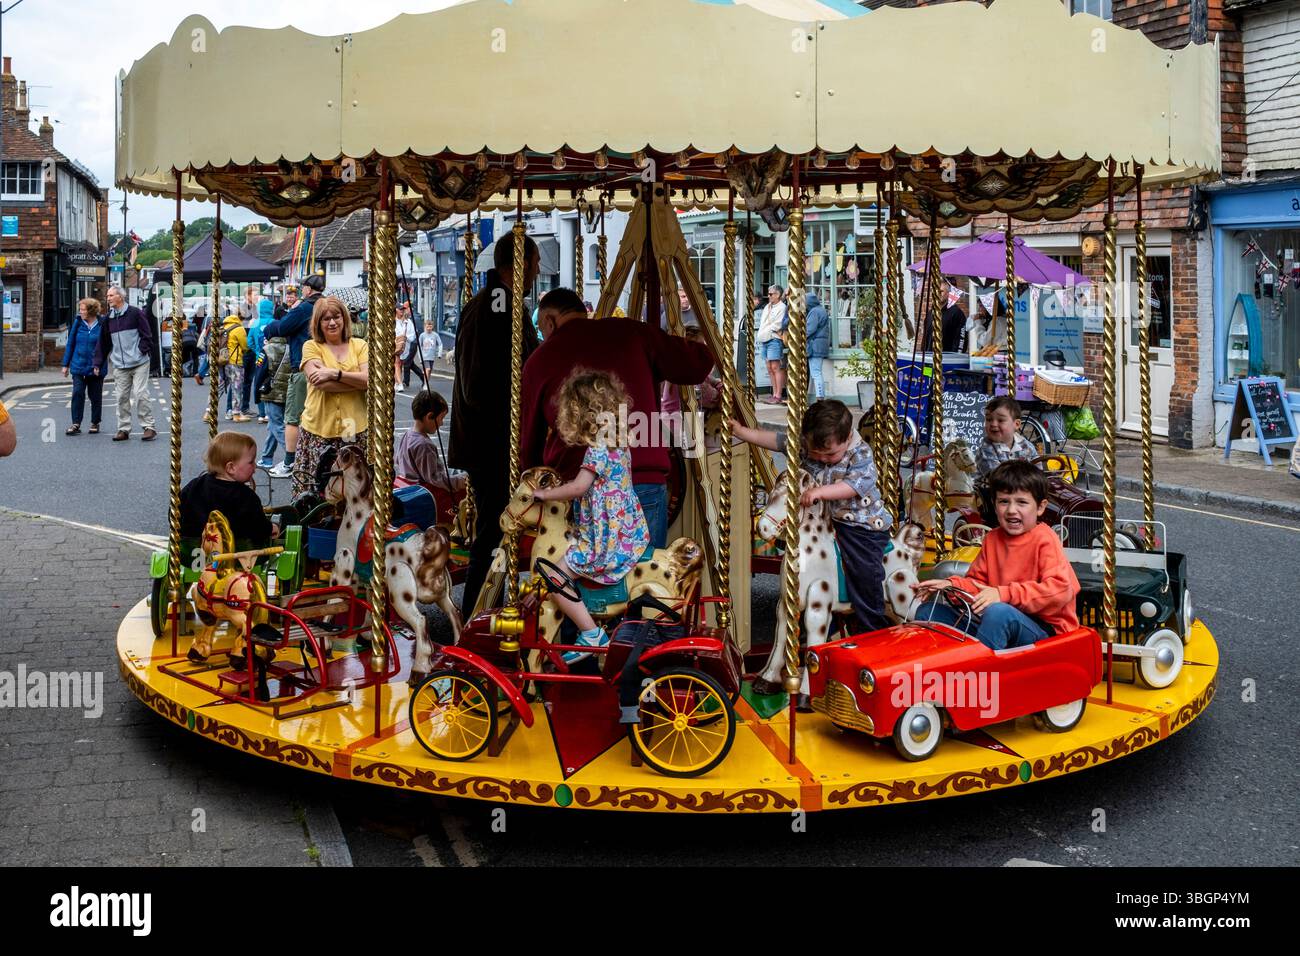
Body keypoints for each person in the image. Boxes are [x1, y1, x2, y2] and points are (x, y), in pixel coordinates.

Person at [523, 287, 714, 550]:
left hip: (581, 486)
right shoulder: (631, 333)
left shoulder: (540, 360)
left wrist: (536, 489)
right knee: (643, 575)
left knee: (582, 579)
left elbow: (528, 442)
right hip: (643, 478)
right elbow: (698, 363)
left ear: (548, 320)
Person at [731, 400, 892, 634]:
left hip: (861, 526)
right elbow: (777, 441)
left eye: (829, 454)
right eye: (814, 453)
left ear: (847, 438)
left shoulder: (860, 453)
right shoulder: (810, 445)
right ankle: (831, 617)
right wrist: (741, 432)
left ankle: (872, 624)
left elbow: (853, 486)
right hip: (826, 521)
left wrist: (819, 492)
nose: (821, 459)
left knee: (862, 569)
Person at [449, 233, 541, 618]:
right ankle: (476, 612)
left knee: (497, 528)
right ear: (518, 264)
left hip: (490, 440)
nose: (537, 272)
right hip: (492, 442)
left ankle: (485, 607)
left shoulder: (498, 304)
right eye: (534, 264)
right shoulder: (496, 307)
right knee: (492, 530)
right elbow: (479, 384)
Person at [531, 369, 650, 664]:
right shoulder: (620, 443)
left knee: (554, 575)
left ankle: (590, 633)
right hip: (627, 533)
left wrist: (544, 495)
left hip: (603, 543)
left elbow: (579, 487)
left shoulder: (596, 451)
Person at [911, 460, 1080, 650]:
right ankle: (943, 670)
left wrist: (1003, 593)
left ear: (1040, 507)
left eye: (1022, 502)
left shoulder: (1045, 539)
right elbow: (977, 584)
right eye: (1003, 501)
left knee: (998, 613)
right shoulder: (992, 539)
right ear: (994, 503)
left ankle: (980, 674)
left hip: (1044, 631)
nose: (1011, 510)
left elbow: (1060, 590)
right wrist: (951, 585)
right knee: (927, 612)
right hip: (998, 619)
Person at [293, 295, 370, 497]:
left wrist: (334, 373)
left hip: (351, 425)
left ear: (345, 318)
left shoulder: (360, 346)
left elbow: (370, 381)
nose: (333, 322)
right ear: (318, 323)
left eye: (337, 317)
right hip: (318, 427)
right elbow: (319, 383)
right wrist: (355, 382)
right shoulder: (311, 346)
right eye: (326, 319)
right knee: (317, 489)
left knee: (351, 489)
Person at [262, 273, 325, 478]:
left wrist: (268, 328)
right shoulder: (327, 305)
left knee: (293, 418)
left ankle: (290, 462)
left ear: (307, 289)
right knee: (318, 416)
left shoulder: (305, 307)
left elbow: (282, 327)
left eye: (302, 288)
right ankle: (316, 458)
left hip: (303, 366)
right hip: (326, 365)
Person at [180, 430, 272, 544]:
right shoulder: (245, 497)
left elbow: (175, 515)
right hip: (240, 558)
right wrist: (272, 528)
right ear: (231, 468)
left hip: (190, 552)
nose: (255, 465)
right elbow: (260, 529)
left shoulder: (194, 486)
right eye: (251, 462)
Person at [96, 285, 156, 442]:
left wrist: (141, 350)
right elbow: (103, 343)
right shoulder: (108, 319)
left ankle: (148, 427)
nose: (107, 298)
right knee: (121, 397)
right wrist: (97, 363)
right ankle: (123, 429)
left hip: (139, 362)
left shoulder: (135, 313)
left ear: (120, 297)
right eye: (107, 295)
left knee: (140, 394)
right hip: (120, 365)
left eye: (110, 295)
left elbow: (147, 334)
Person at [397, 389, 464, 494]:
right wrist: (460, 482)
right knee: (466, 475)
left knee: (457, 470)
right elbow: (435, 479)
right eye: (441, 418)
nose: (441, 423)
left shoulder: (407, 435)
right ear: (429, 416)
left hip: (410, 483)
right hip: (427, 490)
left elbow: (398, 460)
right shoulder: (424, 445)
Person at [62, 298, 106, 435]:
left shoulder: (102, 323)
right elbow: (71, 343)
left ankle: (95, 422)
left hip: (96, 367)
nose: (80, 312)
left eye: (83, 309)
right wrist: (65, 364)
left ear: (91, 311)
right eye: (80, 309)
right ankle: (76, 423)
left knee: (95, 396)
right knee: (77, 393)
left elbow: (105, 346)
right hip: (78, 365)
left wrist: (100, 363)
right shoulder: (78, 322)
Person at [976, 396, 1038, 477]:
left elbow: (1038, 469)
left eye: (1000, 420)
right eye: (989, 419)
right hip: (990, 488)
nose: (993, 424)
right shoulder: (986, 449)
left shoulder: (1027, 446)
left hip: (1022, 487)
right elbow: (998, 478)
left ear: (1016, 424)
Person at [256, 332, 292, 468]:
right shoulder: (290, 348)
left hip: (271, 393)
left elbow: (259, 372)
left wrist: (256, 394)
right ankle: (266, 457)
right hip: (287, 392)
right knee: (274, 425)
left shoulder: (266, 350)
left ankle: (293, 455)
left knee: (277, 426)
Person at [754, 285, 788, 403]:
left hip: (774, 339)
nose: (768, 296)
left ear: (778, 295)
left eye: (771, 294)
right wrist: (763, 332)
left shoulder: (782, 307)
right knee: (769, 368)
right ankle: (774, 393)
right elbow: (764, 323)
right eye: (768, 293)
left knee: (775, 367)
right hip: (765, 339)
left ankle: (778, 395)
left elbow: (777, 325)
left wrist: (765, 331)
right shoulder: (767, 307)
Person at [218, 313, 253, 423]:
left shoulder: (223, 327)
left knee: (218, 387)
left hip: (222, 361)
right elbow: (245, 346)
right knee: (237, 388)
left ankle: (208, 412)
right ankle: (236, 414)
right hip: (235, 362)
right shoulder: (239, 329)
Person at [248, 296, 275, 423]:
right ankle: (270, 413)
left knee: (259, 382)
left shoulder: (255, 324)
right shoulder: (274, 322)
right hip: (274, 358)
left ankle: (261, 413)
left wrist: (258, 351)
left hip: (260, 358)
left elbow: (250, 342)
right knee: (272, 382)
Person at [805, 290, 830, 401]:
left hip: (815, 345)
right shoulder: (821, 310)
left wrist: (800, 337)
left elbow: (809, 329)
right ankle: (820, 397)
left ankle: (820, 398)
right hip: (820, 344)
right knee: (817, 372)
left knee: (816, 373)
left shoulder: (814, 312)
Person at [395, 303, 418, 391]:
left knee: (399, 364)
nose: (402, 310)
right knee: (397, 363)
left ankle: (397, 382)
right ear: (396, 310)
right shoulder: (393, 321)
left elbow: (412, 335)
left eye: (403, 309)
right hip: (395, 345)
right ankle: (400, 384)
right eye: (400, 309)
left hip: (405, 347)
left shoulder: (408, 322)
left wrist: (405, 338)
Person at [418, 319, 442, 386]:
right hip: (424, 357)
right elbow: (419, 347)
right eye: (427, 326)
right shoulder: (422, 335)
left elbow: (440, 344)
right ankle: (426, 384)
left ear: (432, 327)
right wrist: (420, 358)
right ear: (425, 326)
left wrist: (439, 354)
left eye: (430, 326)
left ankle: (425, 383)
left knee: (429, 371)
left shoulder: (435, 335)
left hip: (432, 357)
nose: (429, 328)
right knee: (427, 369)